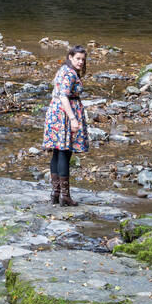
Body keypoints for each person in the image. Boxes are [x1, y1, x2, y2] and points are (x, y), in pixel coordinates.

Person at [42, 44, 89, 206]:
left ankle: (56, 193)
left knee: (57, 152)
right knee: (64, 152)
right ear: (70, 57)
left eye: (83, 59)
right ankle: (65, 196)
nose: (81, 62)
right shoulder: (69, 74)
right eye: (78, 59)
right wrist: (73, 119)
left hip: (55, 113)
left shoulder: (63, 69)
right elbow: (63, 97)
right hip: (64, 113)